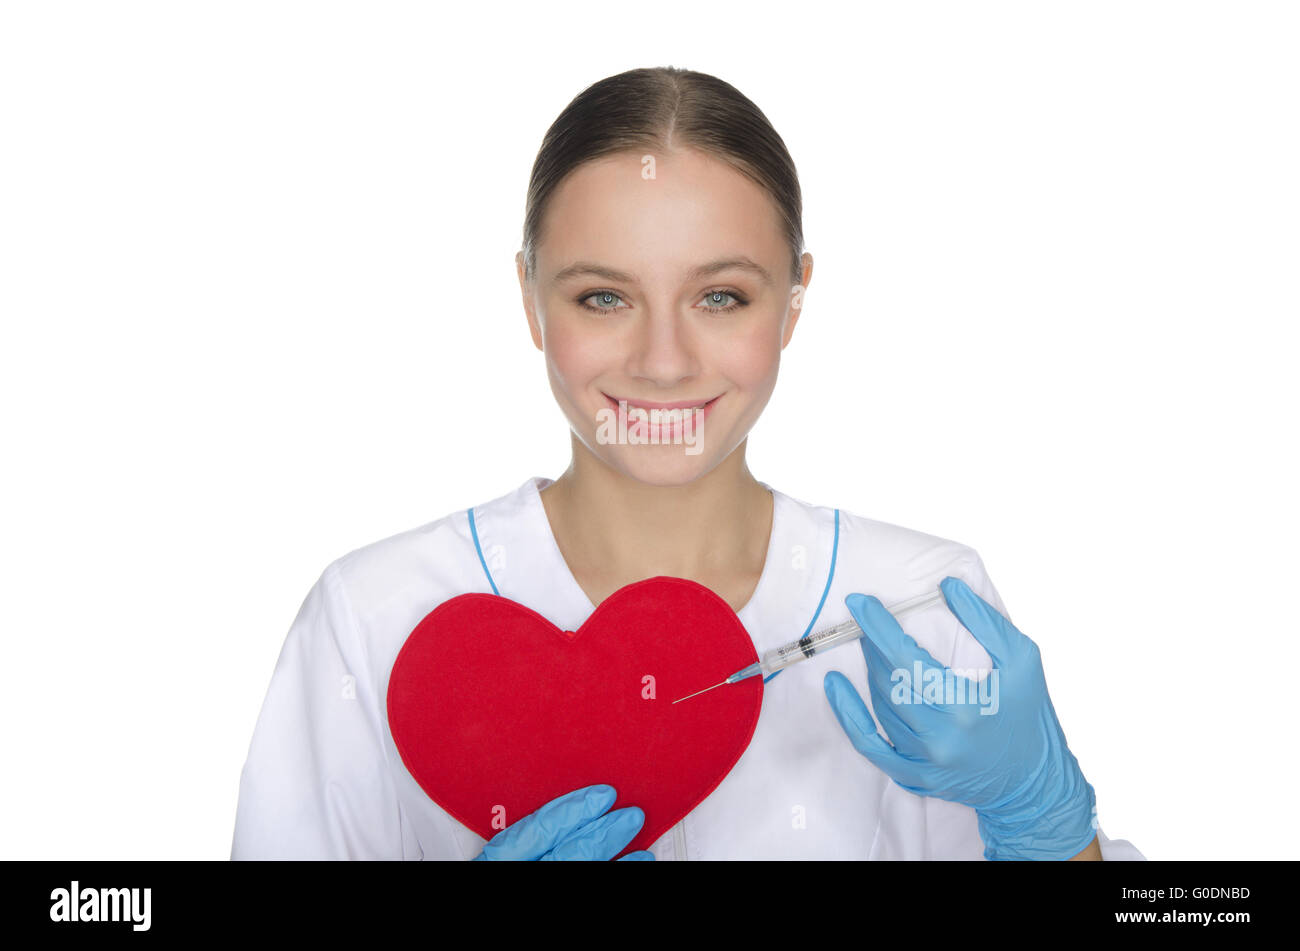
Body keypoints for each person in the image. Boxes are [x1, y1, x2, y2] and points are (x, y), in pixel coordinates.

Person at [231, 66, 1144, 861]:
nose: (663, 361)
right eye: (602, 296)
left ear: (792, 302)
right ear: (529, 301)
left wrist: (1051, 829)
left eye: (719, 295)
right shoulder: (376, 616)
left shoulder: (928, 612)